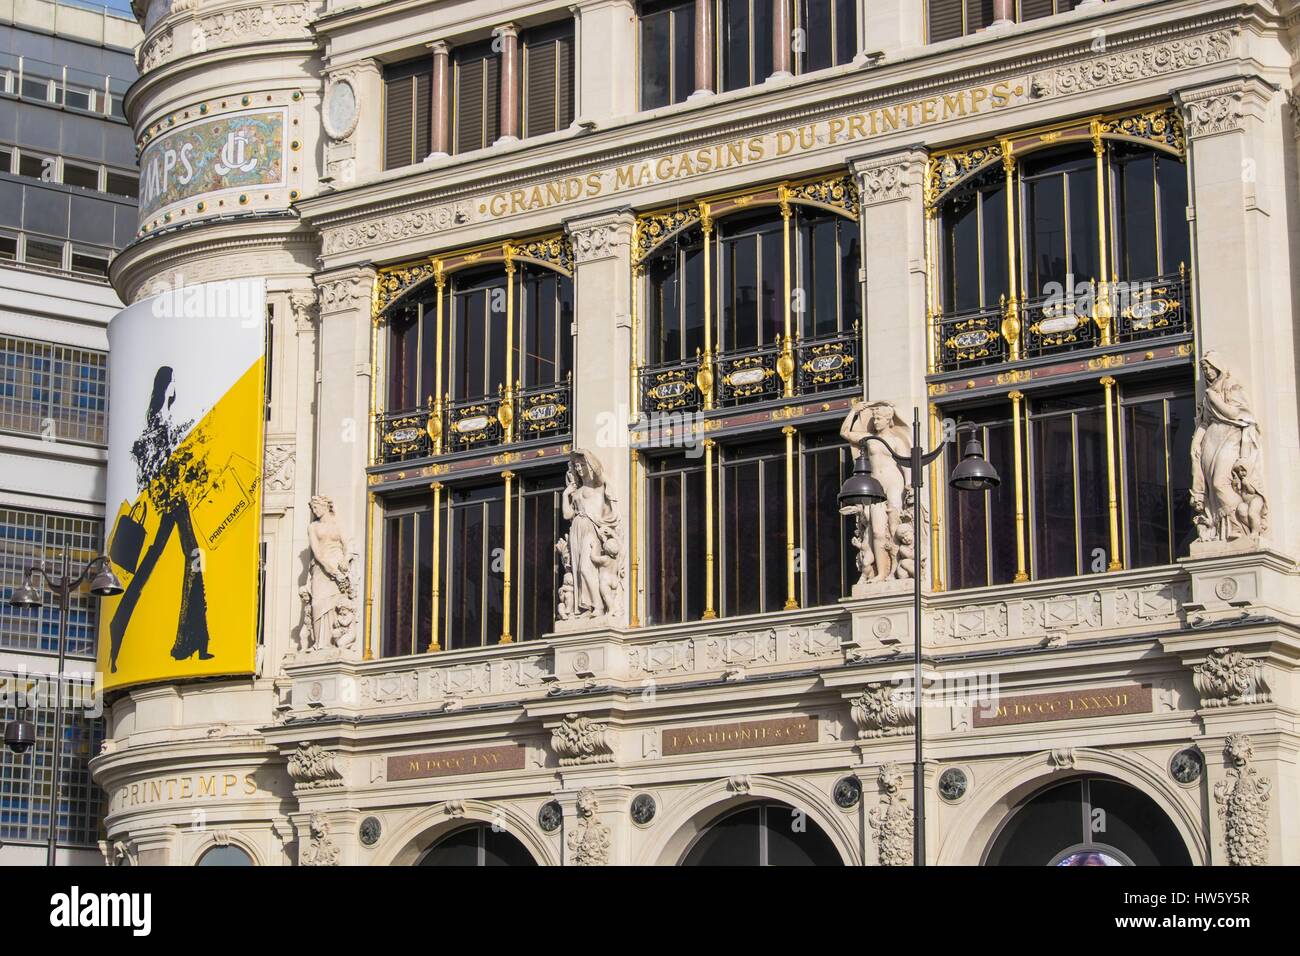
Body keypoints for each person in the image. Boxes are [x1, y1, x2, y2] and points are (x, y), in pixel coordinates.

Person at [109, 367, 213, 672]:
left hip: (177, 498)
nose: (175, 390)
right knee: (165, 560)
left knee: (189, 557)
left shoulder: (169, 421)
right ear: (164, 387)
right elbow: (149, 466)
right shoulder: (157, 424)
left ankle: (193, 641)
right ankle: (188, 640)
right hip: (170, 500)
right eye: (172, 384)